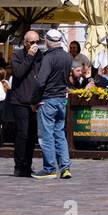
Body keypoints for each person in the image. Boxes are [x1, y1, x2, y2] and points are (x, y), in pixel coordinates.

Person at [32, 28, 73, 180]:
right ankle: (65, 168)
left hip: (48, 99)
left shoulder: (48, 57)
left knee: (46, 135)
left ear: (47, 41)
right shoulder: (68, 57)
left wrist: (34, 101)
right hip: (61, 99)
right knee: (60, 134)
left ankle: (49, 168)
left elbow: (41, 82)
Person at [9, 30, 43, 178]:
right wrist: (29, 56)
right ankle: (19, 166)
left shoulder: (41, 56)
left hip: (35, 101)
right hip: (20, 100)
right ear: (25, 42)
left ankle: (28, 165)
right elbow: (18, 73)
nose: (35, 45)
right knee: (22, 134)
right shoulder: (17, 55)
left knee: (31, 135)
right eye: (32, 42)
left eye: (37, 42)